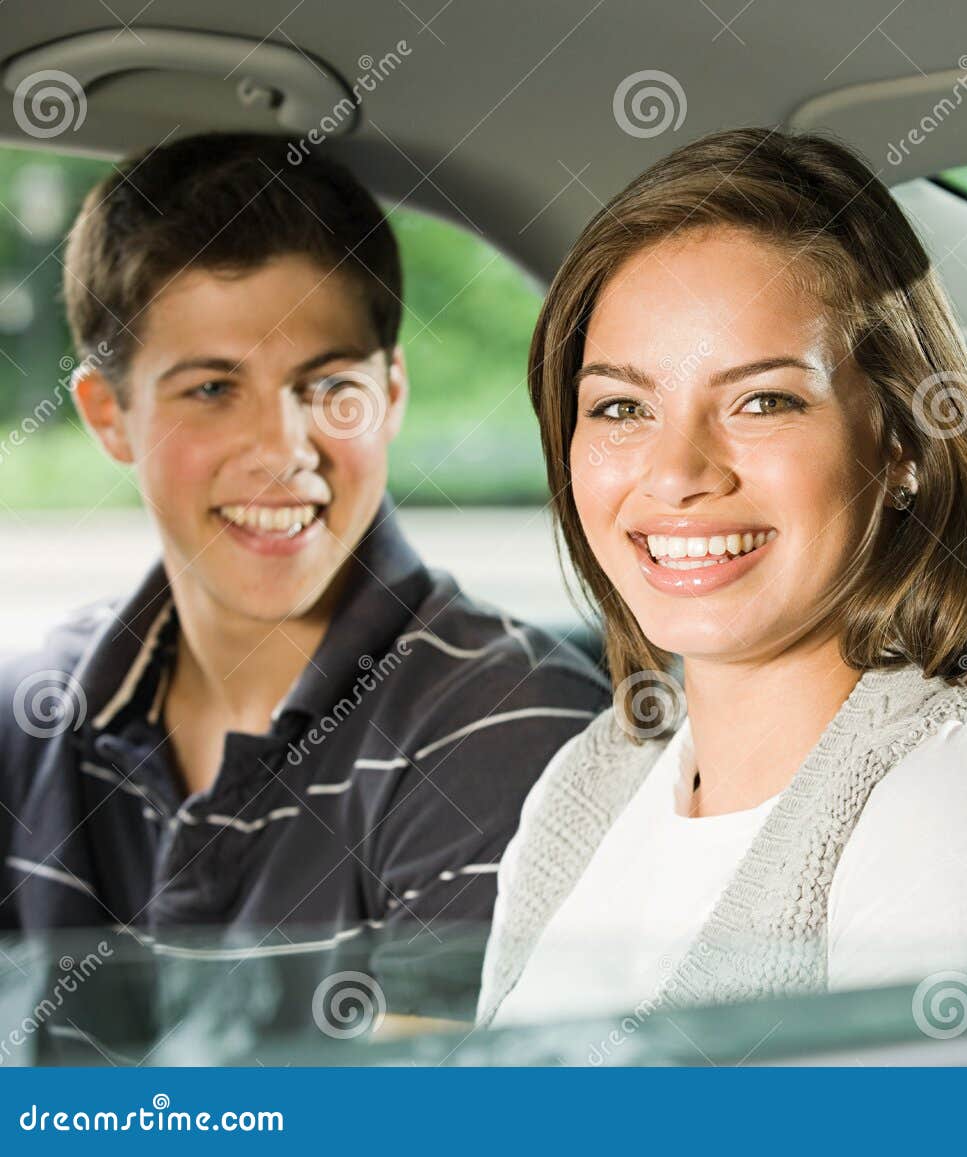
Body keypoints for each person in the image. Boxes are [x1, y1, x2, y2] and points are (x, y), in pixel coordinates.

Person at [479, 127, 967, 1027]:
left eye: (763, 401)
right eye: (622, 407)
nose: (677, 472)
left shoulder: (955, 808)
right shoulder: (590, 784)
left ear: (900, 444)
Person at [0, 134, 610, 1024]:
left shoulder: (508, 727)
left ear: (392, 392)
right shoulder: (29, 715)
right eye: (212, 390)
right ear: (109, 416)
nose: (285, 451)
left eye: (328, 386)